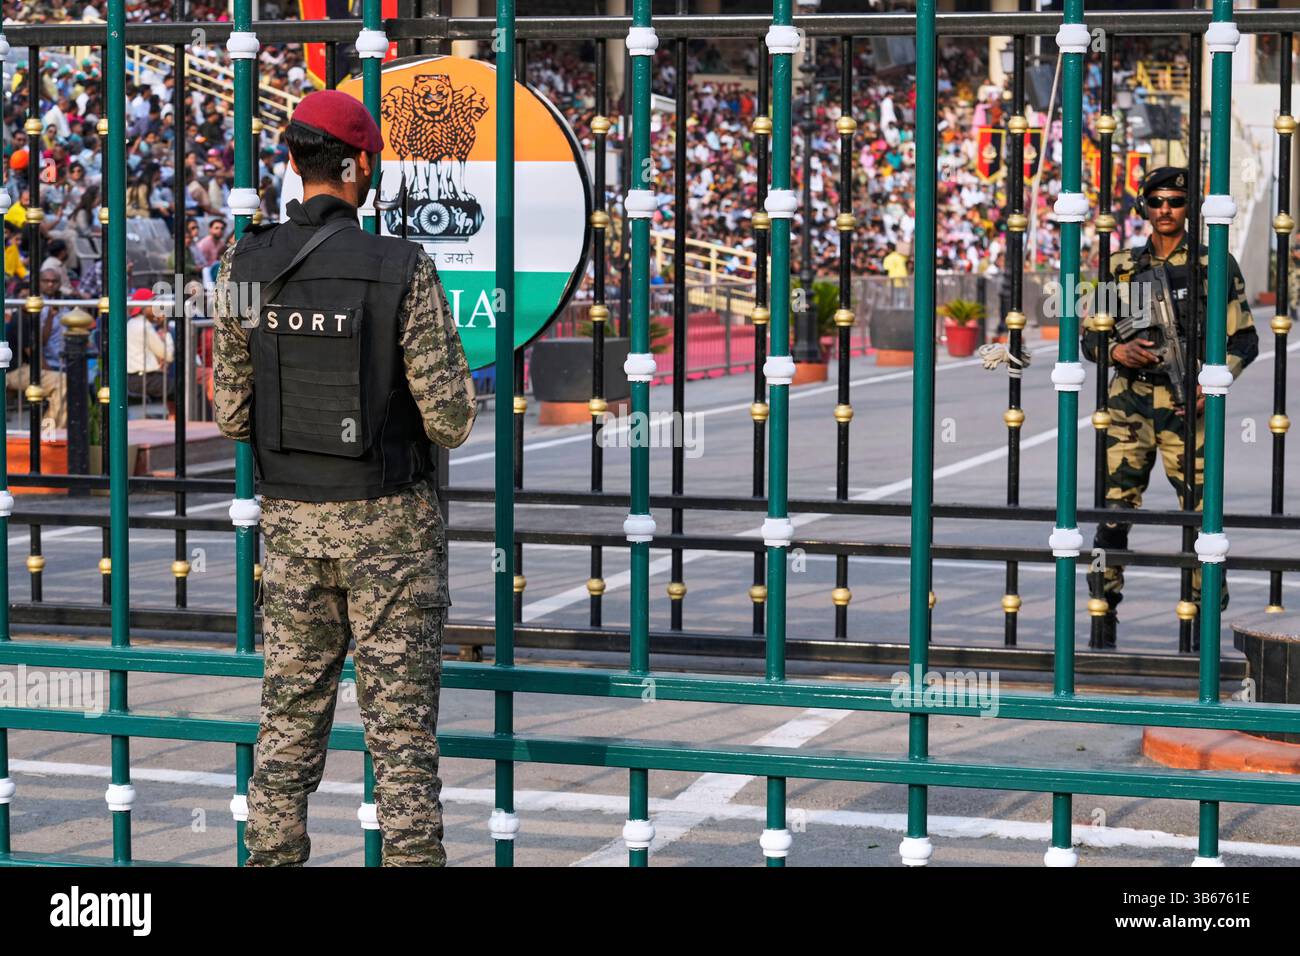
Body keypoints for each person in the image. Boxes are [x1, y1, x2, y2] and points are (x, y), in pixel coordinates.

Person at [212, 89, 477, 867]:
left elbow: (231, 411)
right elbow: (452, 419)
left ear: (294, 163)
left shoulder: (242, 261)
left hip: (292, 525)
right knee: (401, 743)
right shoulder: (402, 264)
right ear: (360, 166)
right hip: (390, 527)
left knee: (287, 725)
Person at [1082, 167, 1259, 649]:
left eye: (1176, 201)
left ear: (1188, 209)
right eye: (1156, 200)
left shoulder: (1213, 263)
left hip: (1189, 406)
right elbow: (1090, 337)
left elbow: (1245, 339)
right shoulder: (1121, 265)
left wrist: (1214, 380)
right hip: (1130, 402)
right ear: (1143, 206)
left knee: (1203, 519)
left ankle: (1201, 626)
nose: (1166, 210)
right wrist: (1115, 352)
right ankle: (1102, 611)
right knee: (1112, 515)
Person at [124, 287, 174, 402]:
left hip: (136, 379)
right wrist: (166, 332)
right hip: (146, 380)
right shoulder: (144, 326)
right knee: (194, 390)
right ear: (144, 308)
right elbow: (169, 355)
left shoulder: (132, 323)